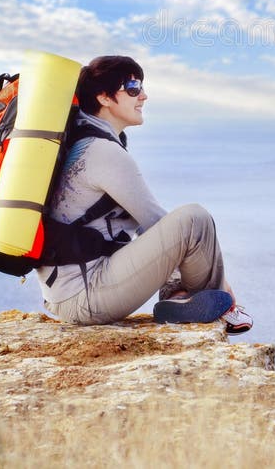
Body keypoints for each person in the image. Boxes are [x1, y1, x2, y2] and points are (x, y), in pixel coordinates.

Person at [36, 55, 252, 333]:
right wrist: (225, 286)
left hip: (68, 293)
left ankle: (179, 300)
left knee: (173, 231)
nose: (144, 96)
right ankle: (224, 307)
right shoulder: (103, 152)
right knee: (195, 219)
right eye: (133, 88)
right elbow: (157, 222)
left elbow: (146, 229)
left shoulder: (84, 141)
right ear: (104, 97)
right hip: (85, 296)